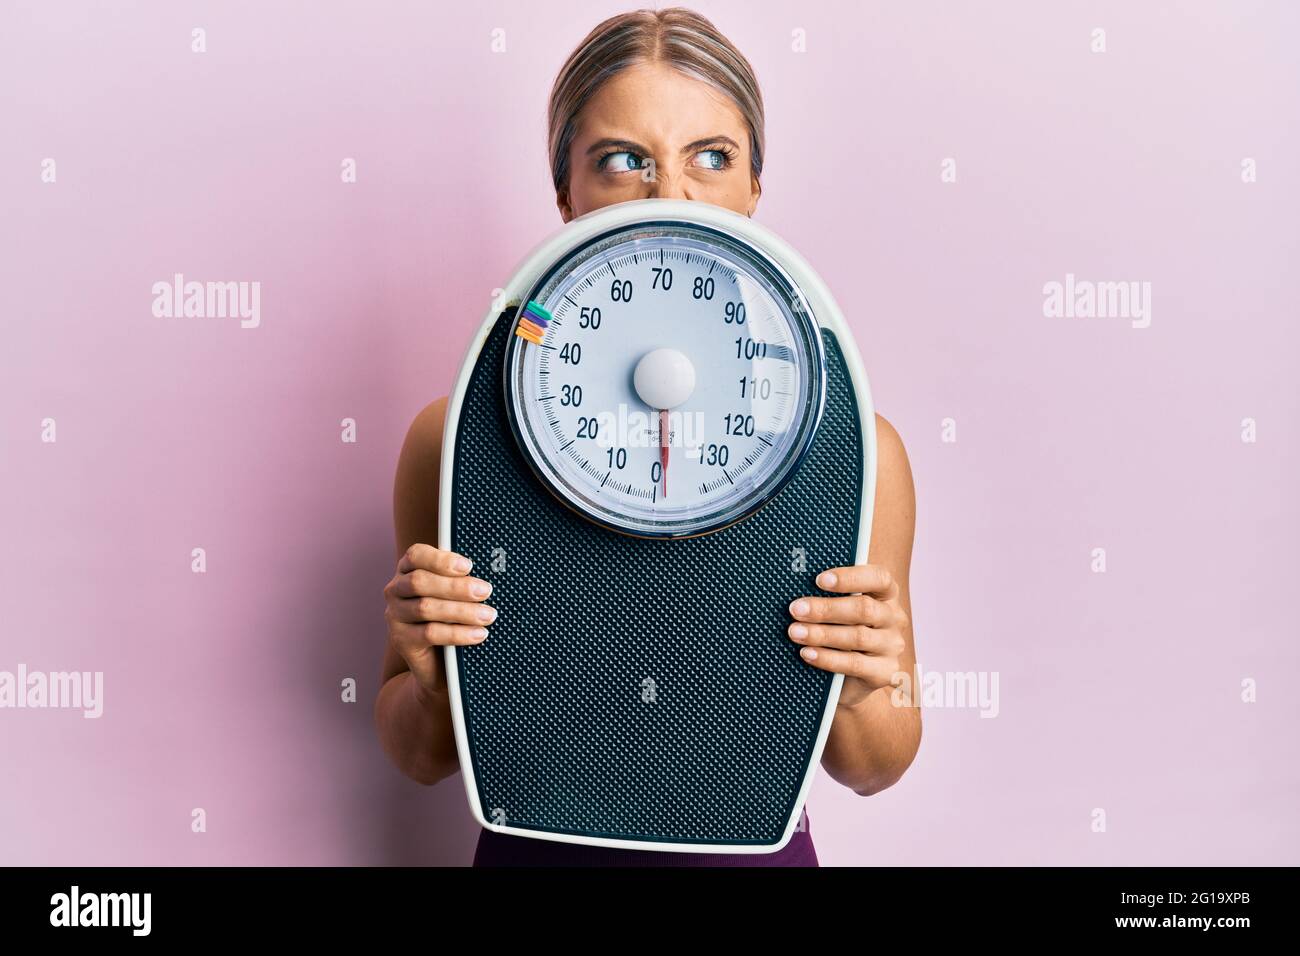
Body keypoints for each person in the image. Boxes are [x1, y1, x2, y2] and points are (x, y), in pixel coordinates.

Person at [375, 7, 920, 867]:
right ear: (567, 195)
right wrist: (434, 673)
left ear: (754, 190)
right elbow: (418, 757)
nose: (670, 194)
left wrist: (857, 693)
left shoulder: (857, 451)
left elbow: (876, 766)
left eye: (713, 157)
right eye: (623, 160)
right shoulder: (451, 438)